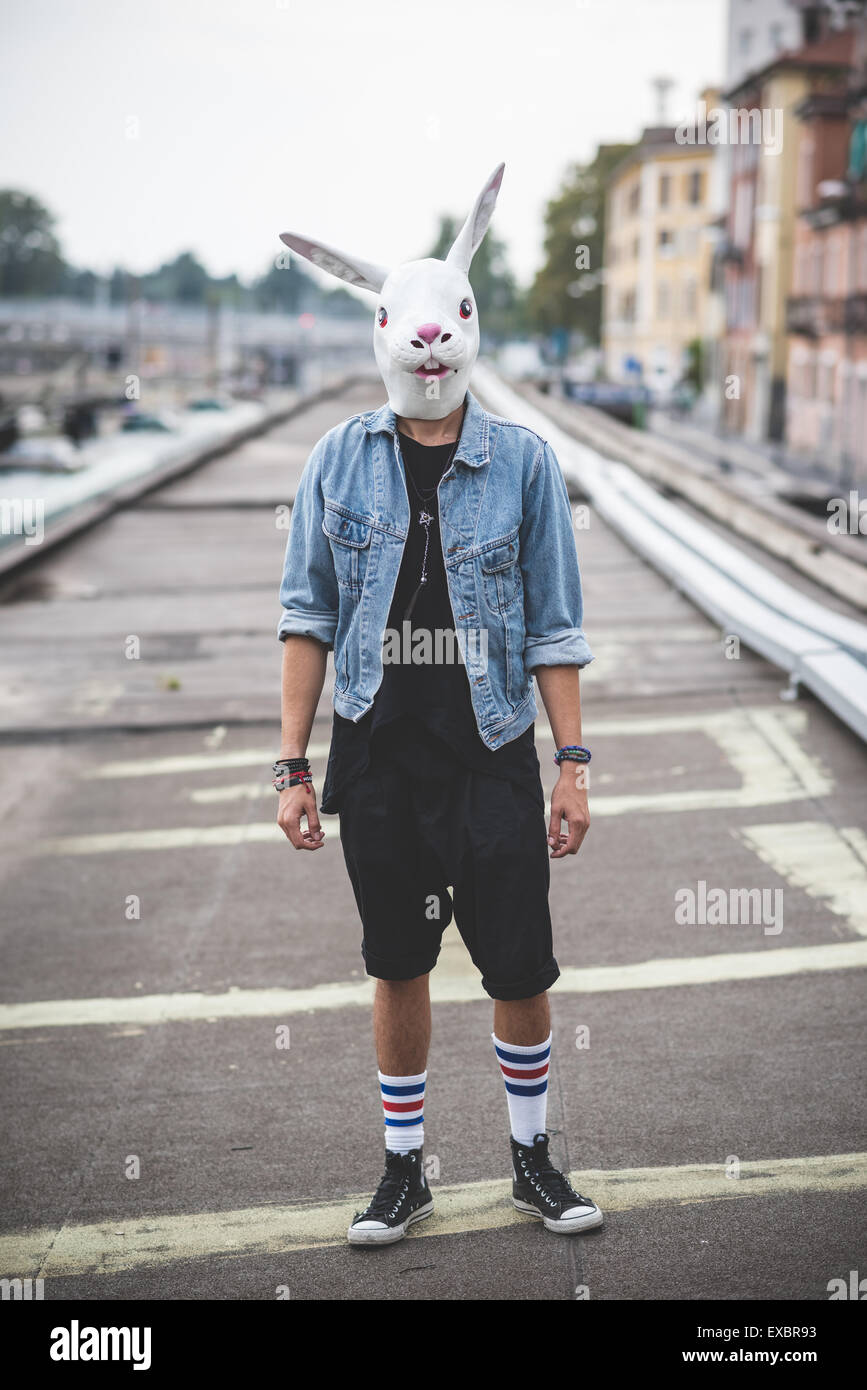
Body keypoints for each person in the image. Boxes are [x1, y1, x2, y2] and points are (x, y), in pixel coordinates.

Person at [274, 165, 602, 1245]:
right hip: (376, 755)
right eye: (408, 331)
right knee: (398, 963)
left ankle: (533, 1159)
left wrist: (573, 761)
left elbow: (554, 627)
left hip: (494, 748)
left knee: (518, 962)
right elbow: (306, 620)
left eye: (445, 327)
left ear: (470, 330)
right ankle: (403, 1169)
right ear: (381, 332)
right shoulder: (334, 462)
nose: (426, 350)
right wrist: (289, 769)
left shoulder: (524, 465)